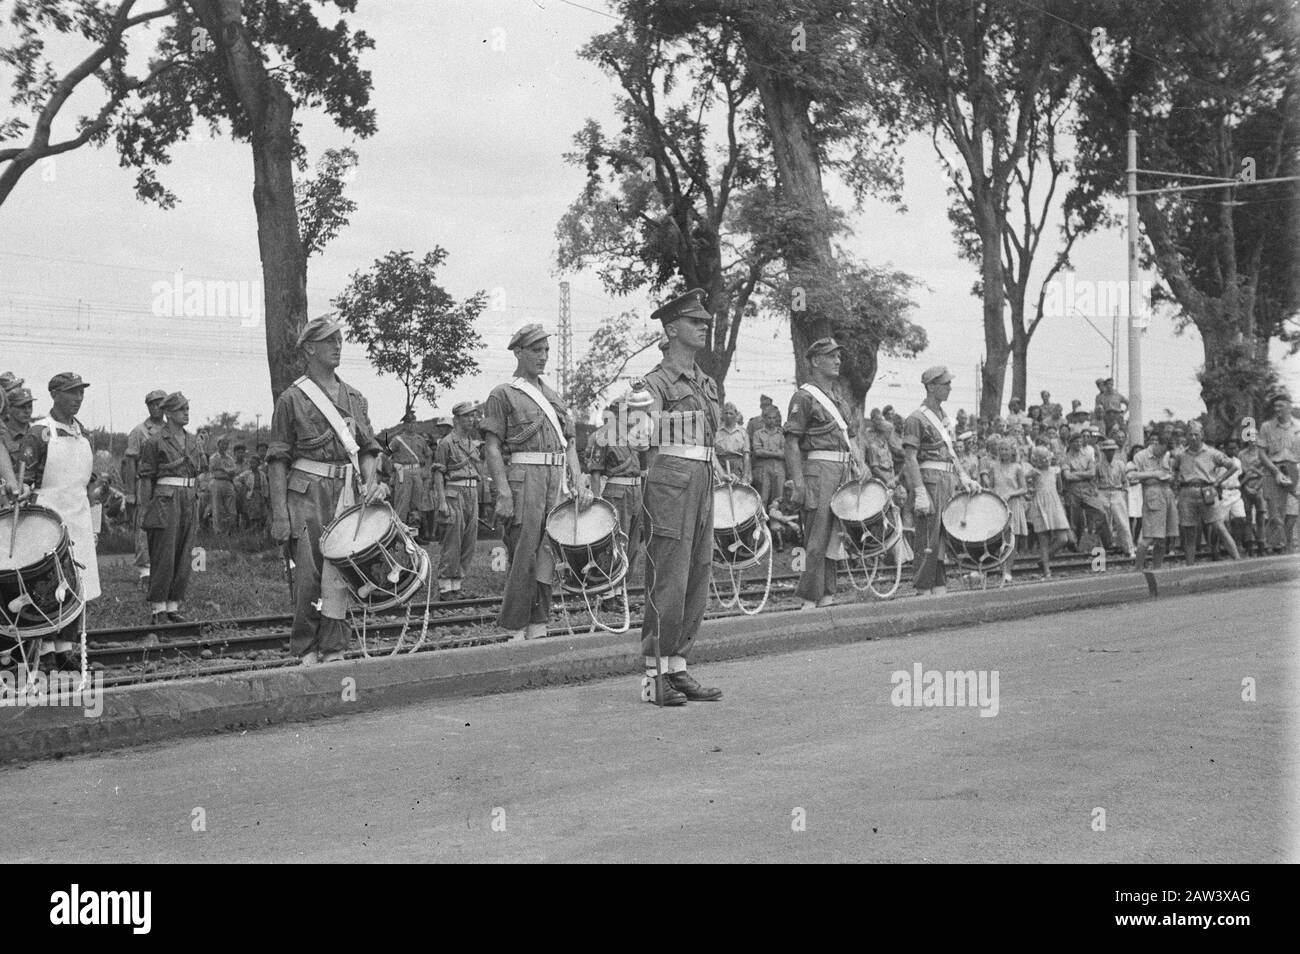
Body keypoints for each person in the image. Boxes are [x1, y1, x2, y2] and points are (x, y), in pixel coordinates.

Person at [267, 315, 387, 665]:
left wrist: (371, 482)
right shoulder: (292, 399)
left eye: (339, 339)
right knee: (308, 574)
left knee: (341, 571)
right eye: (329, 340)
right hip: (305, 492)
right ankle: (306, 649)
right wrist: (279, 514)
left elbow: (367, 449)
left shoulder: (354, 397)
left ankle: (333, 648)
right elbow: (277, 459)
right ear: (309, 348)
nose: (337, 346)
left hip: (346, 491)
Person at [632, 289, 725, 705]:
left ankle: (677, 667)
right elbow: (635, 435)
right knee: (667, 577)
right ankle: (654, 677)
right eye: (695, 322)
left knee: (696, 575)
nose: (704, 326)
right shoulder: (652, 383)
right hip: (670, 482)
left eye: (705, 321)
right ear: (671, 329)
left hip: (702, 478)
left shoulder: (705, 383)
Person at [482, 324, 591, 641]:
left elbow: (569, 444)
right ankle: (516, 631)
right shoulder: (503, 394)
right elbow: (491, 445)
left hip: (555, 481)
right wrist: (502, 490)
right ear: (518, 352)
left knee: (548, 554)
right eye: (536, 350)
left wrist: (579, 481)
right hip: (524, 479)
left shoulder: (554, 398)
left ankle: (539, 627)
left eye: (546, 350)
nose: (543, 356)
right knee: (522, 555)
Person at [17, 373, 103, 671]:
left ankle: (65, 650)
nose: (78, 399)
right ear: (54, 395)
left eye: (81, 393)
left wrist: (94, 524)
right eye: (71, 393)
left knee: (76, 584)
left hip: (77, 515)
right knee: (45, 586)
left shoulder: (82, 433)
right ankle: (42, 654)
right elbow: (24, 480)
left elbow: (90, 485)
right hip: (46, 518)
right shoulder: (39, 433)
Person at [785, 338, 860, 610]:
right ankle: (808, 597)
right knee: (815, 538)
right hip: (819, 470)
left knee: (835, 535)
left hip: (842, 469)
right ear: (816, 361)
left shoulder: (838, 398)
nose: (837, 360)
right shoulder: (804, 396)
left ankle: (827, 593)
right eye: (831, 356)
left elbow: (851, 438)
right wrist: (798, 482)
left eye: (838, 355)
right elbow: (791, 442)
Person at [902, 365, 978, 597]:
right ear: (932, 387)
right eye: (945, 384)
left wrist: (964, 476)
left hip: (947, 479)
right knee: (927, 537)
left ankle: (938, 585)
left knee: (942, 538)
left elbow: (951, 453)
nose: (949, 388)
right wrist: (920, 491)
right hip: (930, 480)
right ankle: (923, 588)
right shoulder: (916, 418)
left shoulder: (945, 418)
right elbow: (910, 457)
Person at [137, 392, 205, 624]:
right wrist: (146, 509)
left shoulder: (194, 440)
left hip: (189, 498)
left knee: (184, 553)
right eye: (180, 409)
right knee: (163, 553)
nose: (186, 413)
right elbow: (146, 478)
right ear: (167, 413)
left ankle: (173, 605)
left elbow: (200, 470)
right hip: (165, 499)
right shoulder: (154, 442)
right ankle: (158, 608)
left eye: (187, 408)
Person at [585, 397, 644, 582]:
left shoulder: (635, 436)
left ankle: (623, 588)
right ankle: (610, 591)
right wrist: (597, 503)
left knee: (634, 544)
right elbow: (595, 471)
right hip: (617, 493)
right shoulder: (603, 436)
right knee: (616, 544)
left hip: (636, 492)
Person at [432, 401, 483, 596]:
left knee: (469, 540)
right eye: (467, 416)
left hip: (472, 493)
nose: (471, 419)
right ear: (456, 419)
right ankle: (445, 585)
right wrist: (442, 501)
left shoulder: (472, 443)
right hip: (454, 492)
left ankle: (457, 585)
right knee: (452, 539)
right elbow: (438, 472)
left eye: (473, 416)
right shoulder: (446, 443)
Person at [1171, 422, 1240, 564]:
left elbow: (1233, 466)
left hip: (1207, 490)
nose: (1193, 437)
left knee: (1219, 526)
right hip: (1187, 492)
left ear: (1202, 435)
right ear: (1187, 436)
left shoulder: (1212, 453)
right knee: (1189, 531)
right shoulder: (1181, 455)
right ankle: (1190, 566)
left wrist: (1218, 481)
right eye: (1190, 434)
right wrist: (1177, 484)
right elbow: (1175, 469)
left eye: (1196, 434)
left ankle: (1238, 561)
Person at [121, 389, 167, 586]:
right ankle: (145, 571)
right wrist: (130, 492)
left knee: (165, 524)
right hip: (145, 483)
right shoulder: (139, 431)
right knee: (144, 525)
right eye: (152, 404)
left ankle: (163, 567)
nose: (156, 407)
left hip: (166, 484)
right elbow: (130, 463)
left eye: (159, 404)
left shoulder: (170, 429)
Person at [980, 437, 1029, 584]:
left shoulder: (1017, 467)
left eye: (1006, 449)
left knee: (1011, 538)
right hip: (998, 504)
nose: (1004, 452)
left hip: (1013, 504)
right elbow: (992, 485)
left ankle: (1007, 571)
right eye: (1001, 449)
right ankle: (989, 568)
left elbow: (1024, 489)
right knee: (994, 537)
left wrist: (1010, 493)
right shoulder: (994, 466)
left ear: (1012, 451)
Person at [1257, 393, 1298, 553]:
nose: (1277, 409)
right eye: (1275, 406)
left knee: (1293, 513)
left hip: (1295, 470)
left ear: (1289, 406)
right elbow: (1261, 454)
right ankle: (1277, 549)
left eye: (1281, 405)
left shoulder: (1298, 426)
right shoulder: (1266, 427)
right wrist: (1275, 472)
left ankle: (1291, 547)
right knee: (1275, 514)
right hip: (1274, 470)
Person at [1131, 430, 1178, 570]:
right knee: (1148, 537)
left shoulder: (1167, 456)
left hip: (1167, 493)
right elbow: (1131, 476)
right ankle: (1137, 569)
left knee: (1162, 538)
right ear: (1157, 444)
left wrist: (1171, 477)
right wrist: (1153, 474)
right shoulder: (1141, 456)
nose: (1164, 454)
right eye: (1162, 450)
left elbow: (1169, 472)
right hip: (1152, 493)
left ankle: (1157, 569)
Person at [1025, 445, 1072, 578]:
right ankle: (1047, 571)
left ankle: (1045, 558)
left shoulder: (1055, 471)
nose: (1045, 460)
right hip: (1039, 504)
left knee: (1063, 538)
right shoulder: (1034, 472)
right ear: (1036, 460)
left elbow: (1060, 488)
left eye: (1047, 457)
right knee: (1043, 539)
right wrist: (1029, 492)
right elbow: (1023, 481)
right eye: (1041, 458)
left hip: (1054, 504)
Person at [1061, 431, 1112, 551]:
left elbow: (1092, 473)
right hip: (1072, 492)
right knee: (1075, 521)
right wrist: (1084, 474)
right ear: (1071, 443)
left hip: (1087, 491)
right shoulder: (1066, 458)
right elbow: (1067, 476)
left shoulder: (1088, 456)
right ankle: (1074, 546)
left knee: (1101, 513)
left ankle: (1107, 544)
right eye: (1076, 442)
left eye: (1080, 441)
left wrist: (1076, 474)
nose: (1079, 444)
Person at [387, 410, 431, 533]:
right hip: (403, 473)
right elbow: (386, 455)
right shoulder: (398, 440)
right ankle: (398, 533)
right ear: (405, 425)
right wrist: (392, 472)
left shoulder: (420, 439)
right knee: (402, 502)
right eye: (409, 423)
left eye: (414, 423)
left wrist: (426, 471)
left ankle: (414, 534)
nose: (412, 425)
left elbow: (428, 455)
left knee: (416, 504)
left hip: (417, 472)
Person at [1095, 439, 1136, 558]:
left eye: (1112, 450)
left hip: (1117, 492)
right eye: (1107, 451)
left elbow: (1125, 481)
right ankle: (1101, 551)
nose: (1110, 453)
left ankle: (1129, 548)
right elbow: (1094, 481)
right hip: (1103, 492)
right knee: (1103, 523)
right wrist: (1097, 493)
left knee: (1122, 522)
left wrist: (1124, 491)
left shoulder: (1120, 464)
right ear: (1103, 452)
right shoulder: (1098, 465)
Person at [1236, 422, 1269, 556]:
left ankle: (1261, 545)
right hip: (1245, 487)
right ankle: (1249, 546)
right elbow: (1240, 472)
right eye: (1249, 437)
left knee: (1261, 517)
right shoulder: (1241, 454)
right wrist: (1246, 486)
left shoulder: (1263, 453)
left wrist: (1257, 486)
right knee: (1247, 518)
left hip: (1259, 487)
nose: (1252, 440)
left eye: (1255, 437)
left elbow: (1266, 472)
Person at [750, 405, 786, 508]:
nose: (772, 421)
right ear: (764, 419)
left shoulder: (781, 434)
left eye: (774, 418)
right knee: (763, 498)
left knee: (779, 498)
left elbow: (785, 453)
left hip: (779, 469)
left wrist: (767, 452)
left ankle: (777, 523)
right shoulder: (758, 434)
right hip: (763, 470)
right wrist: (776, 453)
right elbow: (757, 452)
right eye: (769, 418)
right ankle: (762, 523)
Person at [208, 437, 238, 535]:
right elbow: (214, 471)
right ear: (218, 444)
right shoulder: (213, 458)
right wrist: (226, 471)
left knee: (231, 508)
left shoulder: (230, 458)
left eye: (226, 444)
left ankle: (229, 530)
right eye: (223, 444)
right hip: (217, 482)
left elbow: (234, 471)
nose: (225, 446)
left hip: (228, 482)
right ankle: (218, 531)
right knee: (217, 507)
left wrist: (223, 470)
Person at [715, 402, 751, 484]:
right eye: (726, 413)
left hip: (738, 470)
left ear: (736, 415)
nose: (728, 416)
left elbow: (746, 455)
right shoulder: (716, 432)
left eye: (731, 413)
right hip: (720, 468)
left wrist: (745, 476)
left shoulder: (743, 432)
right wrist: (721, 473)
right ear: (722, 415)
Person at [236, 453, 268, 532]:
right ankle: (249, 529)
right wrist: (244, 486)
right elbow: (237, 479)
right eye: (251, 463)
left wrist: (265, 495)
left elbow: (265, 485)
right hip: (251, 494)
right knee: (251, 512)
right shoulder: (247, 473)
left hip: (260, 494)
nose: (252, 464)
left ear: (258, 463)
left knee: (260, 513)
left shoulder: (262, 474)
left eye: (254, 463)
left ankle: (257, 529)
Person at [767, 480, 802, 552]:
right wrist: (788, 522)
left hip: (795, 529)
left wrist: (790, 519)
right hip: (782, 529)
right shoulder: (779, 500)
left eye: (791, 490)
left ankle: (801, 543)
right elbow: (771, 512)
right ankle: (781, 543)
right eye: (786, 490)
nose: (788, 493)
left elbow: (802, 515)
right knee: (774, 518)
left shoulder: (798, 501)